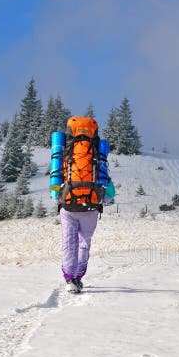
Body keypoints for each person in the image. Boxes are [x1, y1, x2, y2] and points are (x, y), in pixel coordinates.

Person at [57, 116, 115, 294]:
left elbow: (55, 186)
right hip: (91, 207)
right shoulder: (98, 156)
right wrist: (103, 199)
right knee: (84, 243)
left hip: (68, 207)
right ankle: (79, 276)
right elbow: (109, 193)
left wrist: (60, 197)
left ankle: (69, 278)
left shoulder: (66, 155)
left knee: (68, 243)